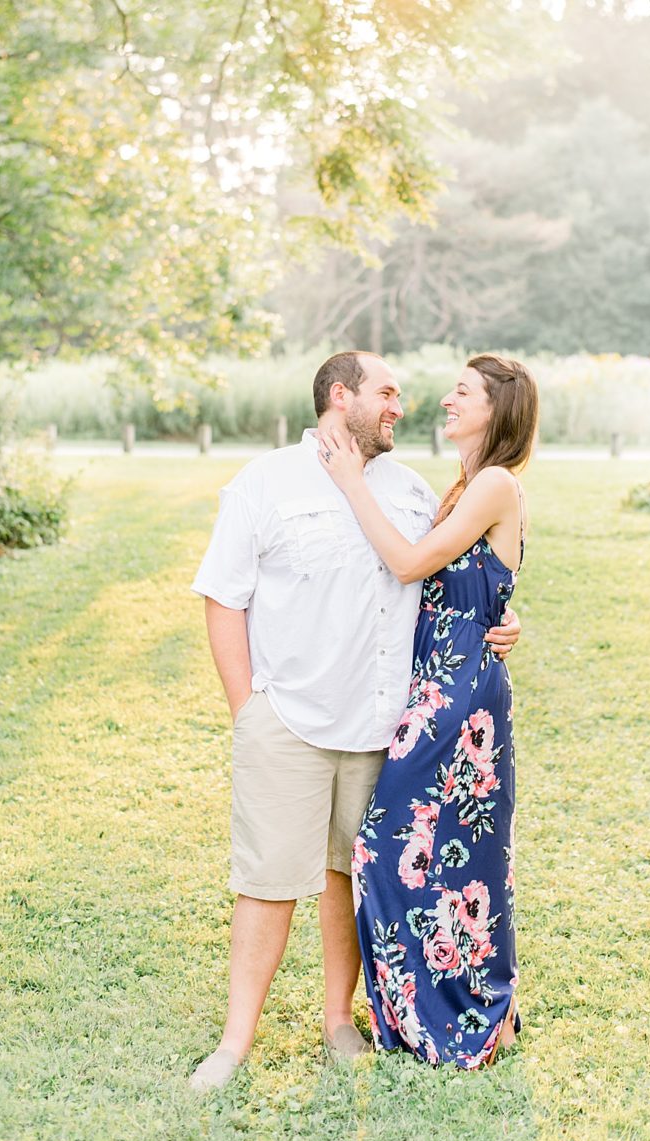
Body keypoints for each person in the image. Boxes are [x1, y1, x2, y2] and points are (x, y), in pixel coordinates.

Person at [189, 350, 520, 1093]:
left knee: (354, 874)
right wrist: (249, 709)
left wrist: (504, 617)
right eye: (387, 392)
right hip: (291, 721)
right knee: (269, 881)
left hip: (385, 729)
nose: (402, 405)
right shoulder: (266, 481)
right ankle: (235, 1041)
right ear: (342, 397)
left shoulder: (412, 490)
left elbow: (452, 574)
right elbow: (221, 593)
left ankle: (340, 1018)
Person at [316, 352, 535, 1068]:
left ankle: (475, 1009)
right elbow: (473, 591)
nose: (446, 399)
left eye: (462, 392)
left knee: (391, 846)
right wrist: (503, 619)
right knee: (455, 855)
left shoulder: (497, 482)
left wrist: (351, 483)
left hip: (458, 699)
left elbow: (411, 565)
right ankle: (463, 1007)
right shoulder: (465, 484)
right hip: (439, 685)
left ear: (496, 408)